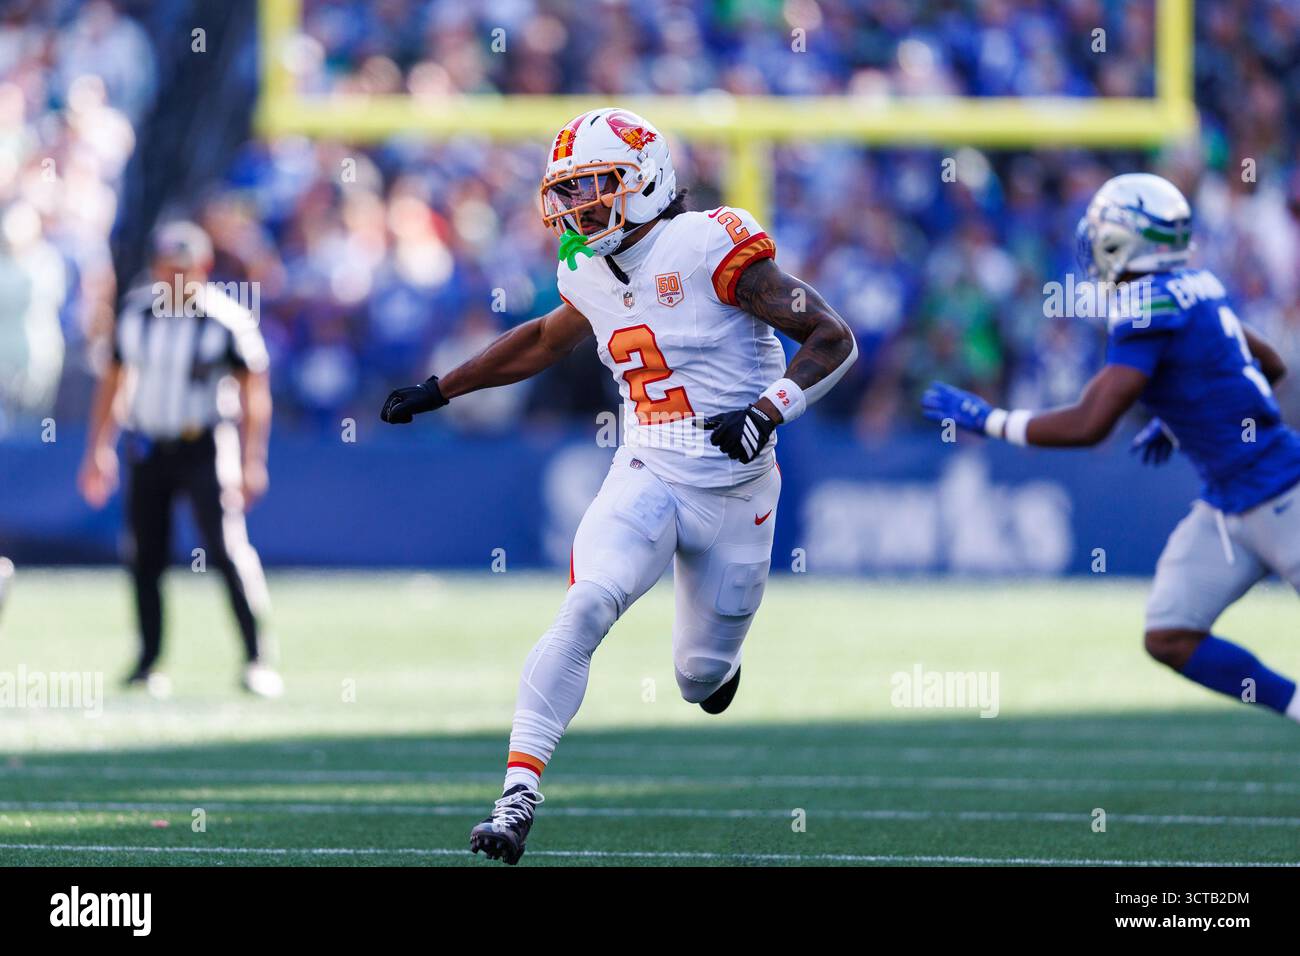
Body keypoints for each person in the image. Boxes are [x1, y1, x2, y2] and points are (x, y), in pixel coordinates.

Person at [381, 108, 857, 863]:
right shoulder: (586, 267)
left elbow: (833, 335)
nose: (578, 208)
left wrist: (769, 409)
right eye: (568, 192)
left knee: (700, 679)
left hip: (737, 489)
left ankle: (717, 670)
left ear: (645, 182)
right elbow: (542, 338)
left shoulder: (709, 243)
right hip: (647, 468)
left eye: (596, 187)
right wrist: (443, 387)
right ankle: (516, 797)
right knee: (586, 604)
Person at [923, 173, 1300, 723]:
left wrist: (993, 420)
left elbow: (1091, 423)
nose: (1094, 245)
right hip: (1228, 503)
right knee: (1171, 634)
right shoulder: (1199, 284)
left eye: (1105, 234)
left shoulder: (1147, 303)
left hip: (1281, 494)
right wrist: (1179, 418)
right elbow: (1268, 365)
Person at [78, 221, 281, 698]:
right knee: (144, 555)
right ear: (157, 268)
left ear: (203, 269)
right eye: (169, 269)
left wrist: (253, 459)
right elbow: (112, 381)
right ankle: (148, 662)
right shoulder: (135, 314)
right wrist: (97, 450)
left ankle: (256, 657)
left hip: (205, 443)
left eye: (185, 270)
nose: (176, 280)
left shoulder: (226, 319)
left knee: (226, 550)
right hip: (148, 445)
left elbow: (255, 391)